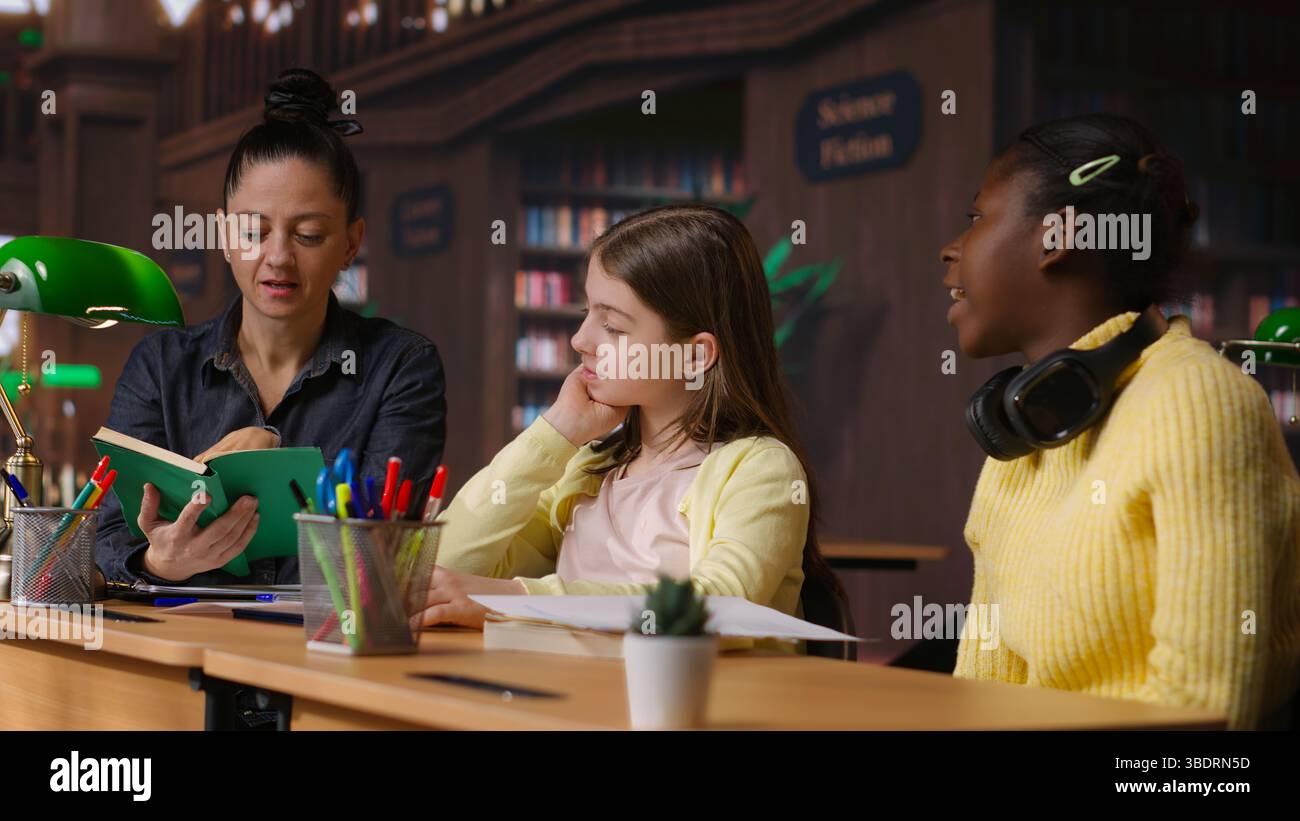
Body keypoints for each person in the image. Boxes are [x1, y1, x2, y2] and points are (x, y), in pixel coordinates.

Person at [941, 113, 1300, 728]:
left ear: (1058, 236)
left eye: (976, 219)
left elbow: (1208, 721)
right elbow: (985, 697)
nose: (951, 248)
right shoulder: (1025, 436)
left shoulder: (1201, 404)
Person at [424, 205, 844, 651]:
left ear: (695, 355)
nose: (580, 340)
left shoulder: (760, 469)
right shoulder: (588, 469)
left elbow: (719, 607)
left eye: (611, 326)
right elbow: (437, 571)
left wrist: (518, 598)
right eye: (587, 313)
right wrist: (555, 433)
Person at [95, 68, 446, 587]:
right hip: (181, 653)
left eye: (308, 234)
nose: (277, 257)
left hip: (324, 659)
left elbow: (379, 552)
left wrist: (275, 456)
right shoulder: (160, 367)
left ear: (351, 243)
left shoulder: (401, 369)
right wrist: (157, 562)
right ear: (222, 234)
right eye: (254, 231)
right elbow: (105, 540)